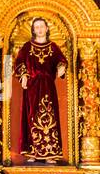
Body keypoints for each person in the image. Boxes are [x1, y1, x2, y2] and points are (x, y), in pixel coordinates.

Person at [13, 17, 68, 163]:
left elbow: (61, 60)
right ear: (33, 30)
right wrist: (24, 76)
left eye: (41, 26)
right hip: (32, 87)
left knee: (50, 116)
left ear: (47, 28)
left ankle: (50, 154)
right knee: (31, 116)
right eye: (36, 27)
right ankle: (32, 152)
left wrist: (61, 67)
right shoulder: (27, 47)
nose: (39, 29)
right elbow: (19, 62)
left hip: (48, 86)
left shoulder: (53, 47)